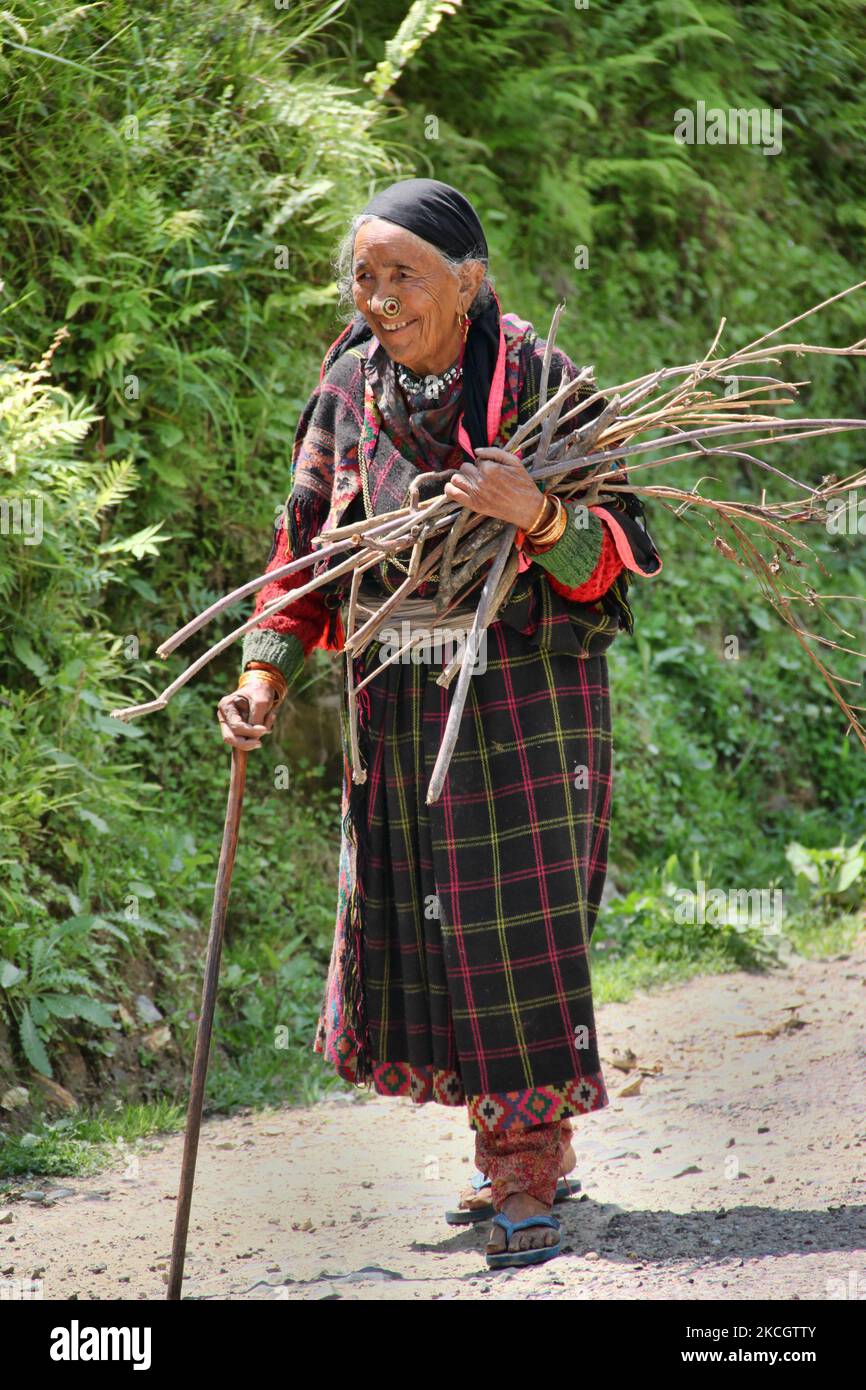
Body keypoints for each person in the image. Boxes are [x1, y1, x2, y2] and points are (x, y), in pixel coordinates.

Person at [217, 178, 662, 1269]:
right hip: (400, 703)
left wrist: (541, 515)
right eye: (362, 276)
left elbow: (619, 554)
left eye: (399, 275)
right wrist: (263, 678)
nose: (375, 297)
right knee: (426, 930)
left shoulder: (540, 384)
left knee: (508, 933)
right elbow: (307, 548)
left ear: (465, 281)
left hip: (523, 703)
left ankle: (522, 1169)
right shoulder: (347, 383)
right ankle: (506, 1147)